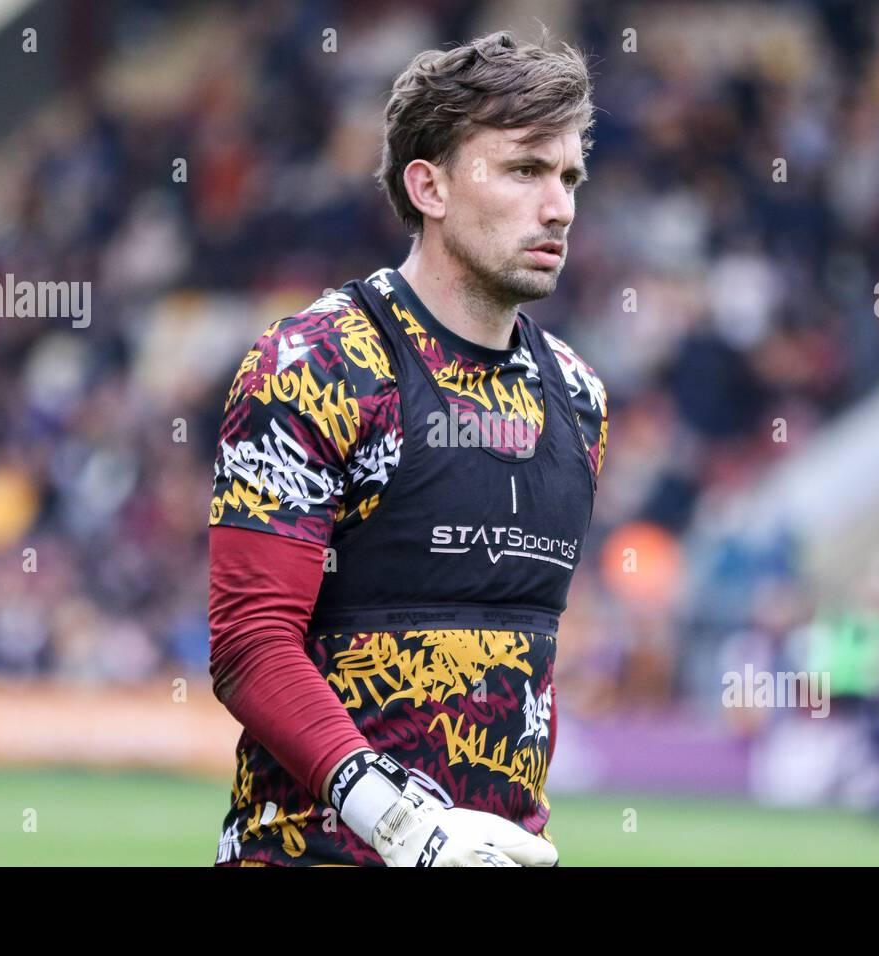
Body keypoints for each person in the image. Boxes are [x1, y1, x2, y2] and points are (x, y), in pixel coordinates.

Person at [207, 29, 607, 866]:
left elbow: (525, 651)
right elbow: (250, 643)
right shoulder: (317, 363)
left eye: (569, 176)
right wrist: (404, 827)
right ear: (428, 185)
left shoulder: (577, 396)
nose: (560, 205)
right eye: (526, 169)